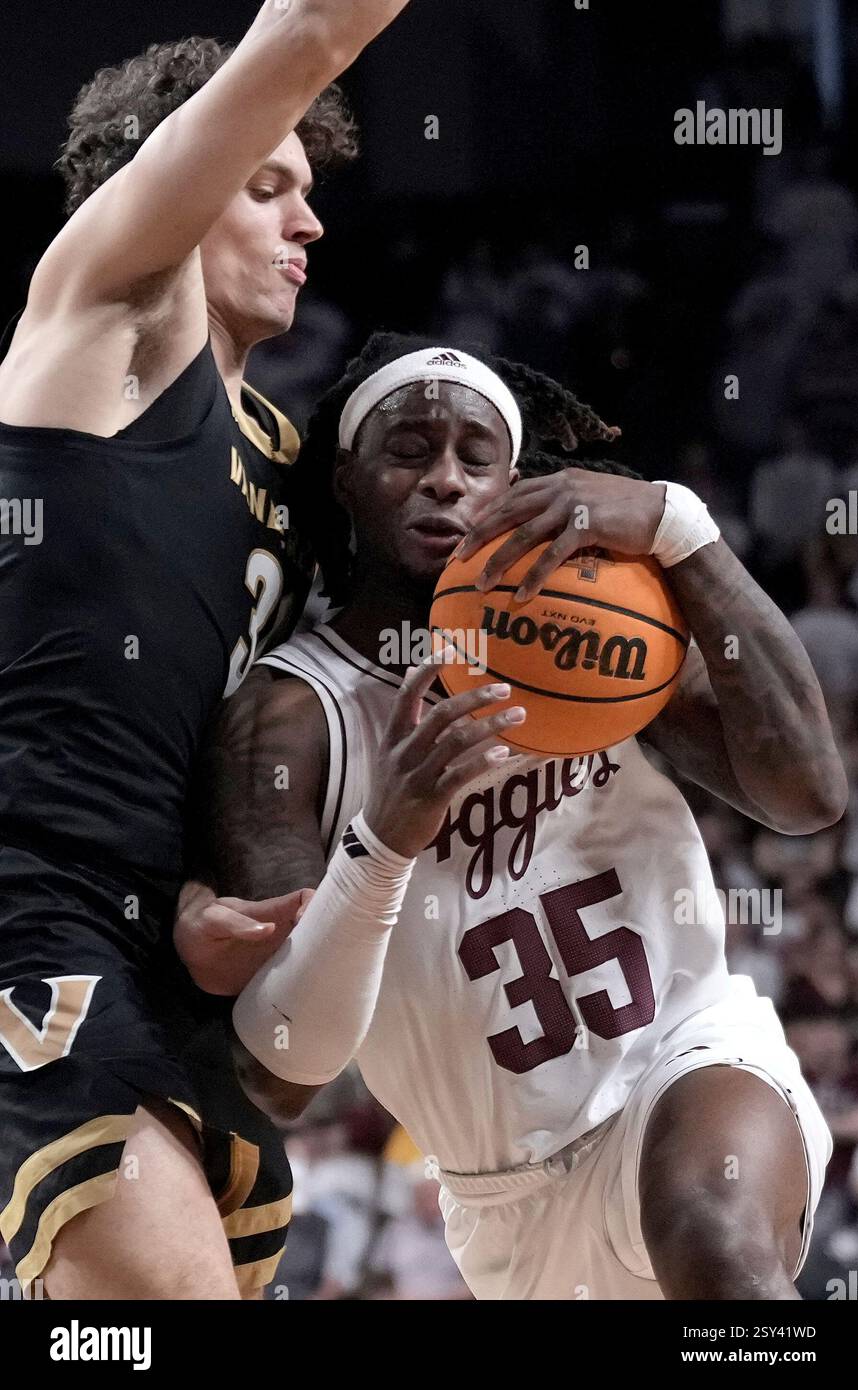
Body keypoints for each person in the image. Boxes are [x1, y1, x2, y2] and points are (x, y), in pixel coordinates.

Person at [179, 332, 847, 1299]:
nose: (445, 480)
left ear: (515, 481)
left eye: (475, 457)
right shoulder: (293, 718)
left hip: (685, 1062)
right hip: (505, 1203)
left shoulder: (596, 621)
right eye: (409, 450)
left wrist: (680, 527)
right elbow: (285, 1072)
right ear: (346, 480)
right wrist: (383, 846)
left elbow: (807, 796)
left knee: (716, 1233)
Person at [0, 1, 411, 1301]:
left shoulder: (294, 480)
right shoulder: (106, 320)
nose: (310, 224)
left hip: (151, 957)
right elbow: (299, 33)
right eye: (268, 185)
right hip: (27, 902)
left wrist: (193, 903)